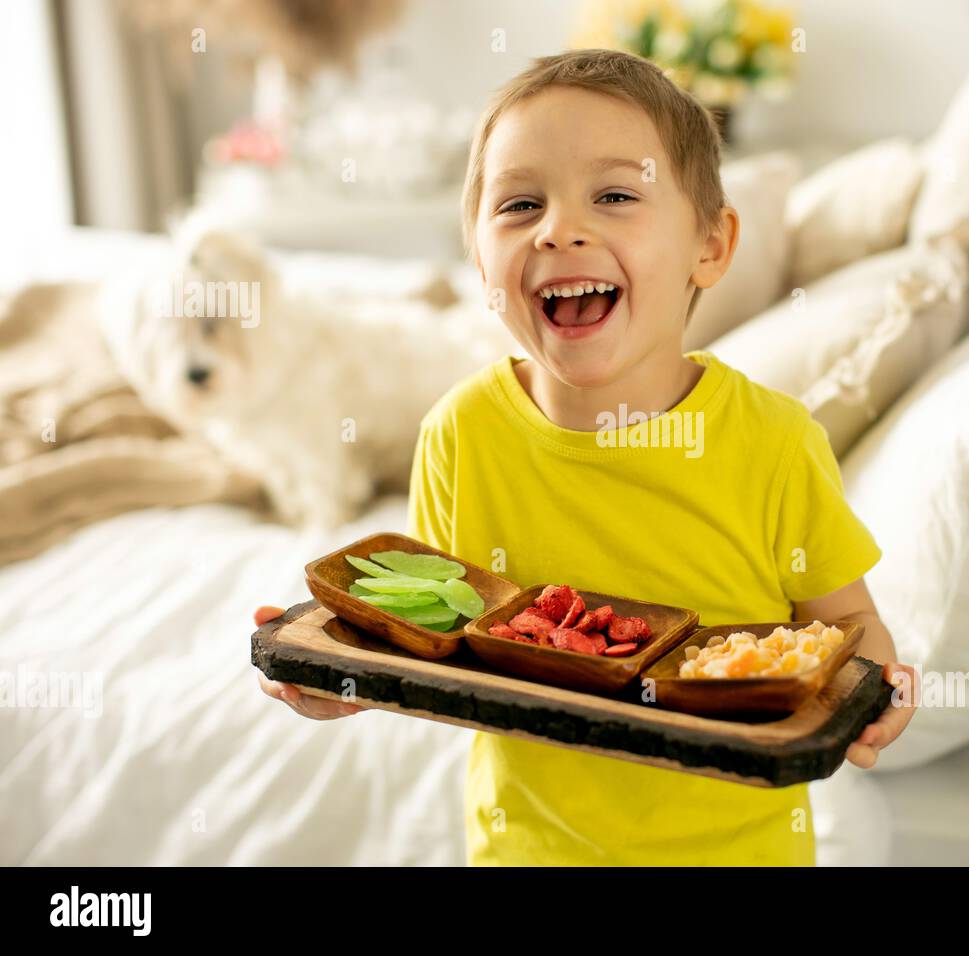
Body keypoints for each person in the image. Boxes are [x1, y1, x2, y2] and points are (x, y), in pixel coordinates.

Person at [257, 48, 915, 865]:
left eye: (614, 195)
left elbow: (850, 627)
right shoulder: (461, 435)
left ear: (710, 244)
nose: (560, 228)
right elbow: (432, 644)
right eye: (520, 203)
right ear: (476, 258)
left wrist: (881, 692)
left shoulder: (773, 443)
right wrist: (339, 682)